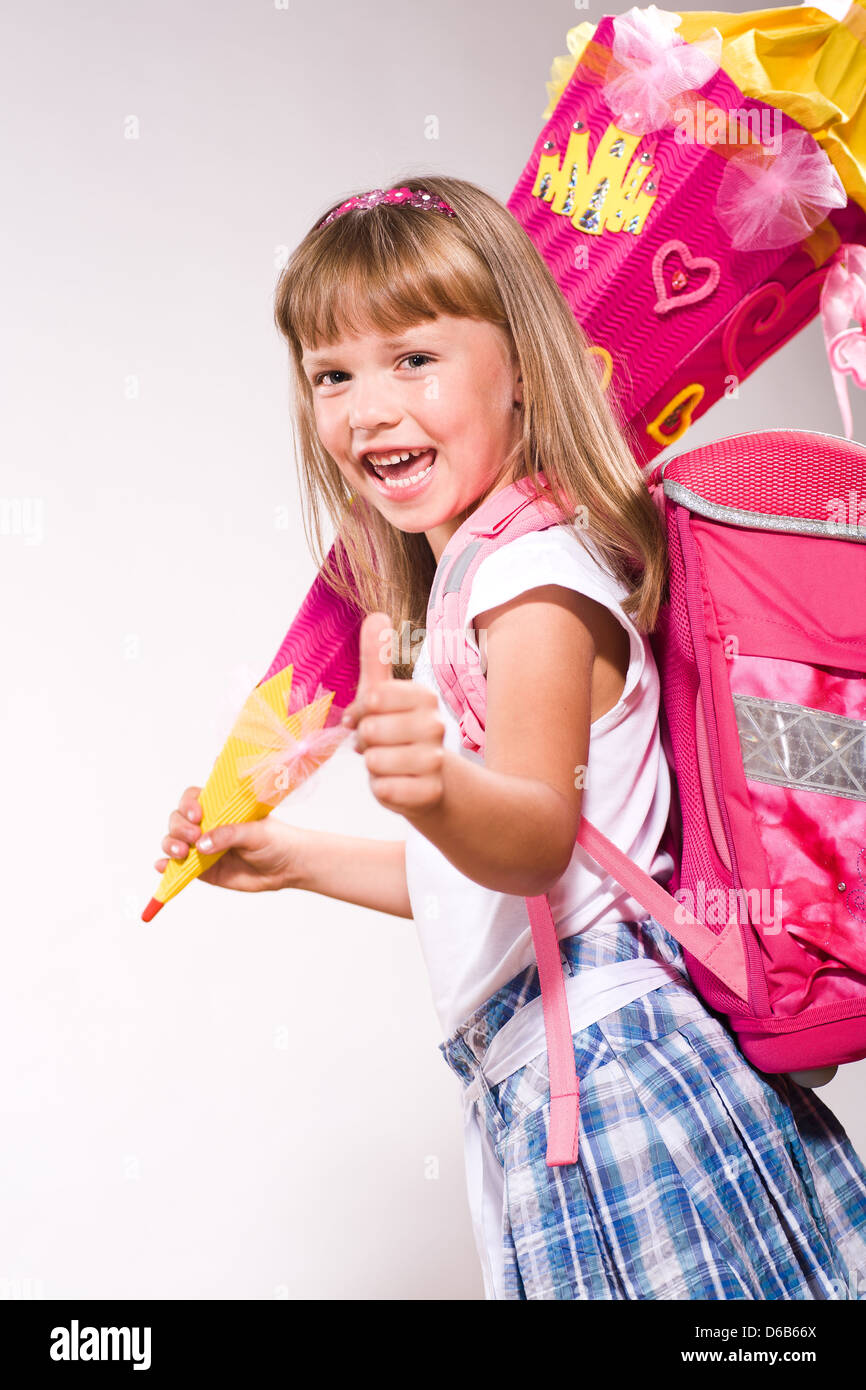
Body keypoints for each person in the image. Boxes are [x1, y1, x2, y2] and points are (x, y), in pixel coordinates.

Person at [154, 175, 866, 1300]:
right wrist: (293, 862)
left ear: (522, 368)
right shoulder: (479, 574)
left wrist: (431, 782)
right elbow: (493, 882)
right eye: (331, 374)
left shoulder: (529, 586)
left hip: (616, 1080)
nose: (366, 407)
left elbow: (531, 837)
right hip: (548, 1078)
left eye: (413, 360)